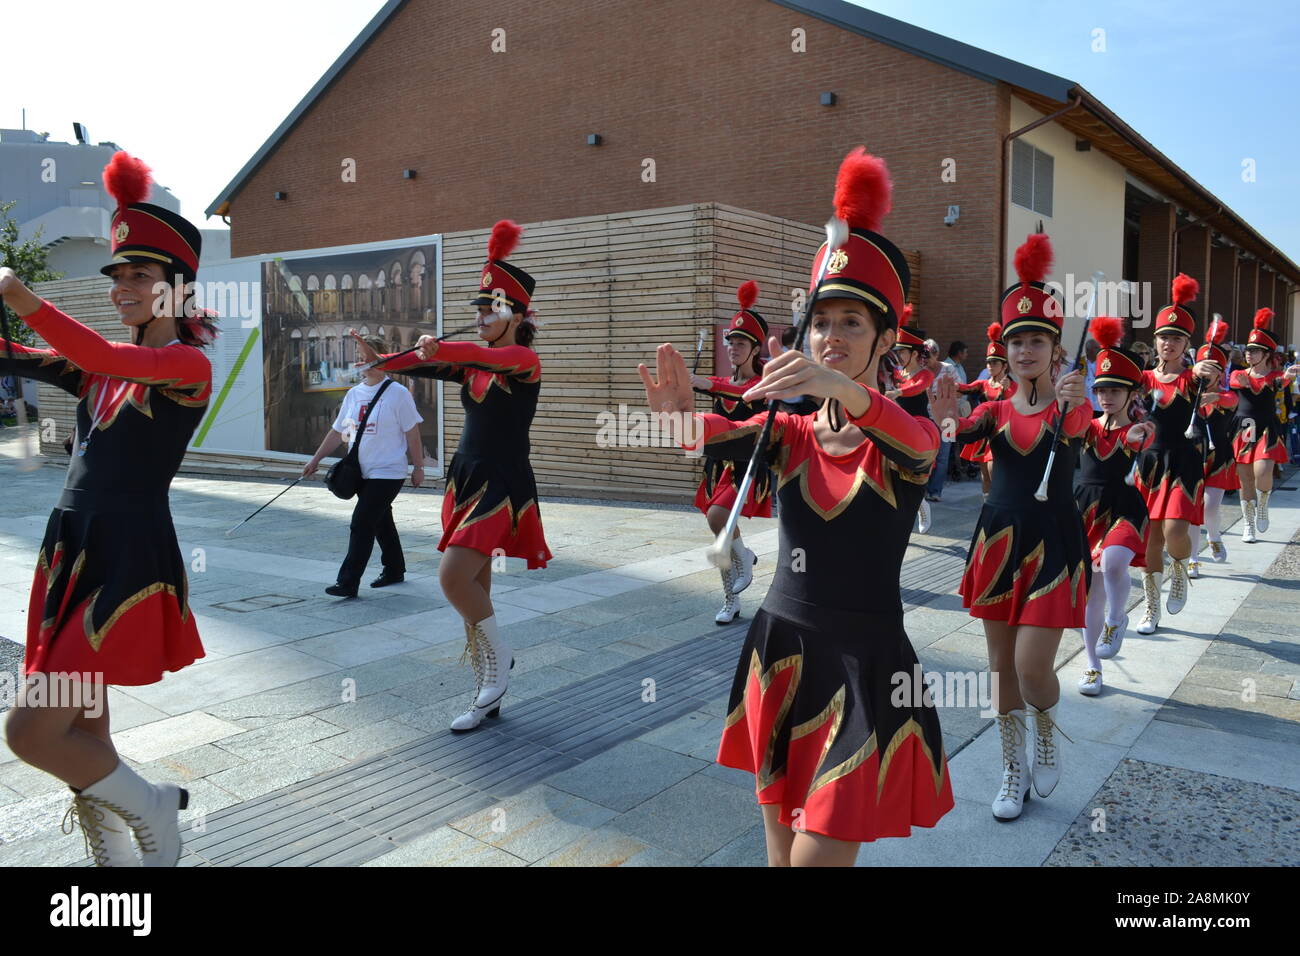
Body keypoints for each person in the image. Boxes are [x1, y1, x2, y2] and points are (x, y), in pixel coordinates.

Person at [641, 148, 953, 866]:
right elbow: (713, 433)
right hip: (781, 653)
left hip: (867, 666)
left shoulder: (908, 439)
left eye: (852, 323)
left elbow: (915, 442)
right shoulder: (788, 433)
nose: (832, 336)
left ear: (887, 339)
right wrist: (678, 422)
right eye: (822, 322)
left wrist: (837, 387)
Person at [0, 152, 215, 866]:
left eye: (139, 275)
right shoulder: (102, 368)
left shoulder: (186, 366)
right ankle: (118, 854)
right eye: (117, 276)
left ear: (177, 289)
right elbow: (22, 355)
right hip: (71, 548)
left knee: (29, 731)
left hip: (125, 554)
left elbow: (98, 354)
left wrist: (19, 292)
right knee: (83, 727)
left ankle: (153, 805)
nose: (123, 287)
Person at [354, 220, 552, 732]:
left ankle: (499, 664)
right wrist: (384, 359)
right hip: (465, 480)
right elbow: (426, 366)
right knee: (475, 590)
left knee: (452, 577)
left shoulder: (522, 360)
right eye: (479, 308)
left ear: (516, 316)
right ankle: (488, 687)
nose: (481, 315)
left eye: (491, 308)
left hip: (501, 483)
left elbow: (474, 354)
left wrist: (439, 348)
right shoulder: (475, 366)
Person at [932, 232, 1090, 822]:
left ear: (1055, 349)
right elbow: (958, 430)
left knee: (1031, 667)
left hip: (1053, 546)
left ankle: (1046, 729)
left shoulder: (1070, 407)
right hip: (998, 544)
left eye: (1037, 341)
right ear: (1006, 349)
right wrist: (944, 423)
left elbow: (1080, 429)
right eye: (1017, 341)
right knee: (1000, 668)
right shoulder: (995, 410)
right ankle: (1012, 768)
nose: (1025, 350)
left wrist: (1076, 398)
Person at [1131, 275, 1221, 635]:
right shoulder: (1142, 379)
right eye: (1163, 337)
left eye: (1176, 338)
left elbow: (1208, 379)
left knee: (1174, 531)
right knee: (1150, 538)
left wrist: (1203, 371)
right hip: (1150, 464)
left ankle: (1180, 569)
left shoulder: (1192, 378)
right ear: (1155, 340)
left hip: (1183, 464)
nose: (1168, 343)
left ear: (1187, 344)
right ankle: (1151, 606)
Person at [303, 336, 425, 597]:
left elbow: (412, 433)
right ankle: (394, 569)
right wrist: (315, 460)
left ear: (381, 359)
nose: (361, 362)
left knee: (361, 522)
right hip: (360, 472)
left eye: (366, 356)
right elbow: (339, 433)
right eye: (358, 356)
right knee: (381, 521)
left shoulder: (398, 394)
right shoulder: (354, 394)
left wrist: (418, 467)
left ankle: (348, 582)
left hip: (388, 471)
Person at [1071, 317, 1153, 695]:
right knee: (1090, 590)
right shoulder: (1085, 425)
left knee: (1114, 562)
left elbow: (1142, 438)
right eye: (1101, 389)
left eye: (1115, 390)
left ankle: (1117, 618)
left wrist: (1137, 436)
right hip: (1085, 508)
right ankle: (1092, 665)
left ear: (1131, 393)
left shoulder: (1139, 427)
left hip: (1124, 507)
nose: (1106, 396)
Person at [687, 281, 770, 624]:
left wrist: (705, 383)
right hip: (717, 466)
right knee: (719, 533)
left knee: (717, 517)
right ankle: (730, 599)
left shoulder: (762, 384)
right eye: (731, 342)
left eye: (741, 343)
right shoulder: (723, 382)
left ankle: (745, 555)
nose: (734, 348)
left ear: (755, 349)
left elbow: (742, 394)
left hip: (746, 467)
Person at [1230, 308, 1300, 541]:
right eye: (1248, 350)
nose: (1249, 354)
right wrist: (1249, 383)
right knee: (1245, 478)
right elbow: (1239, 385)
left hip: (1267, 428)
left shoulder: (1275, 376)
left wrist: (1288, 377)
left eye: (1255, 350)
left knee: (1262, 471)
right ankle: (1248, 523)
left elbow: (1279, 382)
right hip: (1245, 427)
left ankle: (1263, 504)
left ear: (1266, 353)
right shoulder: (1238, 373)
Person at [1188, 317, 1238, 578]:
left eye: (1213, 370)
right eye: (1202, 370)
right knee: (1193, 509)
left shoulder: (1226, 395)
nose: (1206, 376)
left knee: (1210, 507)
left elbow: (1231, 401)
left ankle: (1214, 535)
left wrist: (1215, 396)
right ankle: (1193, 558)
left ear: (1221, 373)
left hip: (1219, 458)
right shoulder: (1188, 392)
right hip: (1191, 456)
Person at [885, 307, 936, 529]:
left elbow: (917, 387)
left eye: (902, 352)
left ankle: (921, 505)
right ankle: (912, 506)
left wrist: (897, 392)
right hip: (898, 426)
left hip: (919, 428)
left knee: (915, 473)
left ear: (914, 354)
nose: (898, 356)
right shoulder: (897, 373)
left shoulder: (925, 374)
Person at [956, 323, 1016, 501]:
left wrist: (1008, 390)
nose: (990, 366)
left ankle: (1000, 503)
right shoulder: (983, 384)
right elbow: (965, 387)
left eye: (994, 362)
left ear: (1004, 365)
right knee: (985, 474)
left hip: (1001, 434)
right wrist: (951, 385)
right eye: (988, 362)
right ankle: (987, 505)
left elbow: (1017, 407)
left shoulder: (1013, 385)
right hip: (983, 434)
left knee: (993, 470)